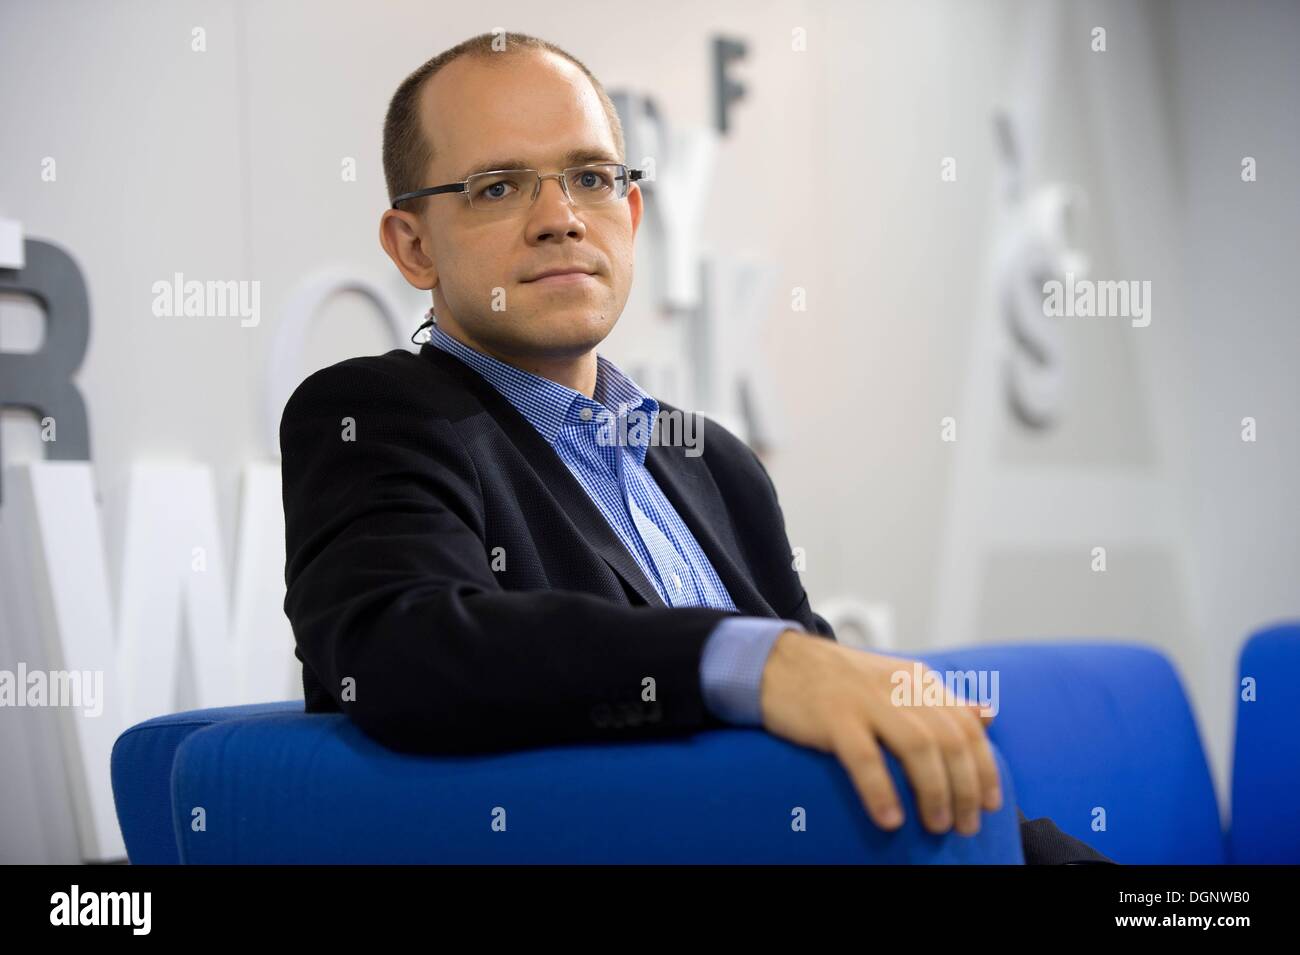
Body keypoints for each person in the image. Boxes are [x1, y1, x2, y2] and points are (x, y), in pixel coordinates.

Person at [279, 30, 1110, 865]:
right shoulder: (374, 416)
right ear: (412, 244)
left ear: (631, 214)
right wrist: (752, 660)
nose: (560, 219)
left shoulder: (713, 464)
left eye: (591, 178)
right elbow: (405, 648)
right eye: (498, 187)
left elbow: (862, 737)